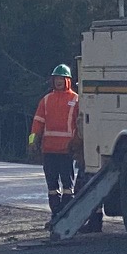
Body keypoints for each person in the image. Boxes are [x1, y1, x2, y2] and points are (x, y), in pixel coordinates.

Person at [28, 64, 81, 217]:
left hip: (66, 150)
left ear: (68, 80)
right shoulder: (46, 100)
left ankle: (66, 215)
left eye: (62, 78)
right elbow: (37, 123)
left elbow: (80, 124)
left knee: (67, 186)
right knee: (52, 187)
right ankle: (55, 215)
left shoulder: (76, 99)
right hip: (49, 150)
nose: (59, 81)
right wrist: (33, 142)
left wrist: (78, 143)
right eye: (57, 78)